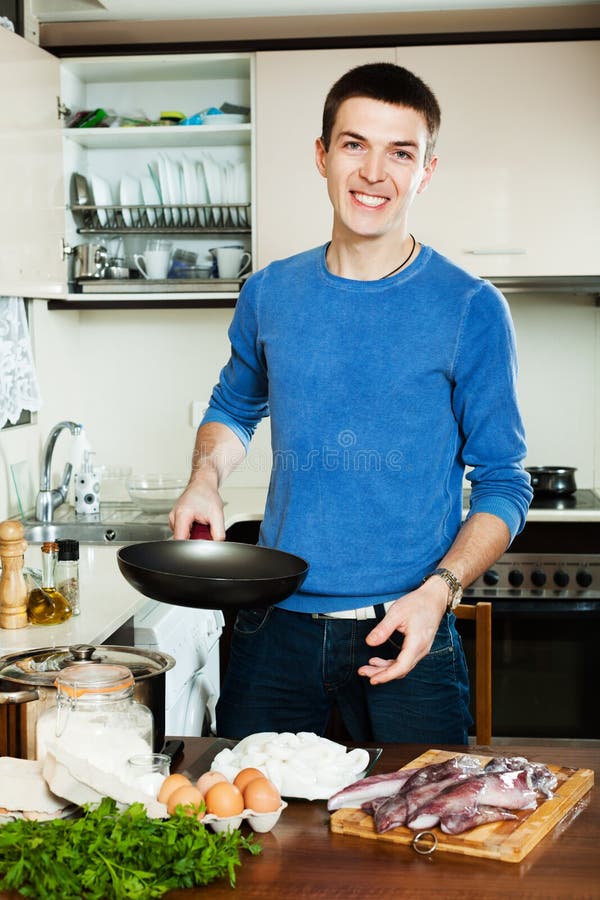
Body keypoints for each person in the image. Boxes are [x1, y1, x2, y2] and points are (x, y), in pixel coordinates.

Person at [170, 62, 532, 744]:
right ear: (322, 154)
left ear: (425, 171)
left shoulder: (471, 309)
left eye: (401, 152)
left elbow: (505, 484)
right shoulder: (269, 293)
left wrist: (440, 590)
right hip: (271, 630)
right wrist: (204, 478)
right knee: (253, 836)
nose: (374, 172)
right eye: (354, 144)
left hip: (407, 627)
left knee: (418, 840)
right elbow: (234, 408)